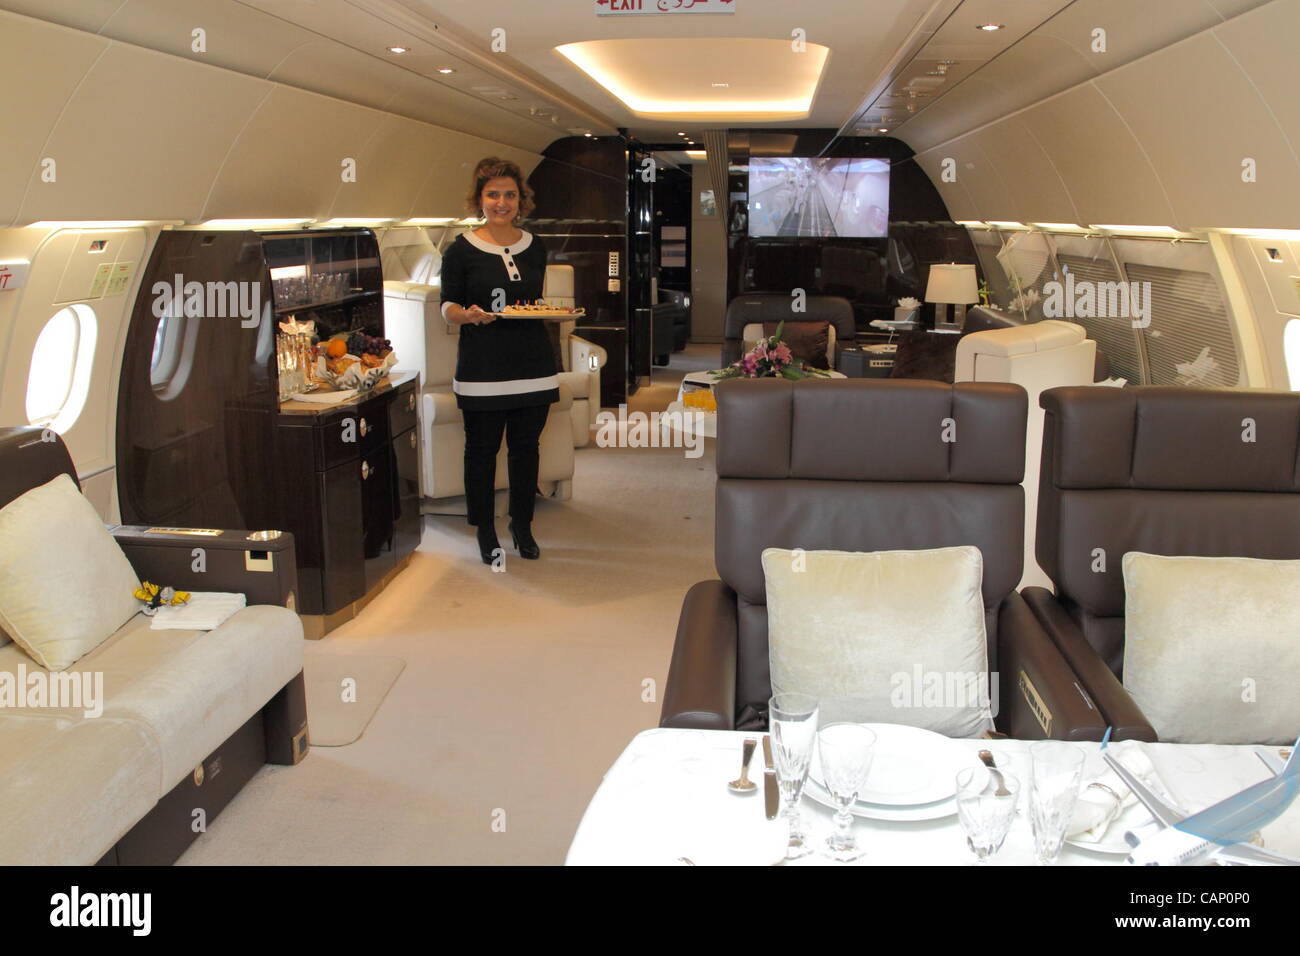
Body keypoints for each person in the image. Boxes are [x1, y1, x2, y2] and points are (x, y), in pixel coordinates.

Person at [439, 157, 561, 564]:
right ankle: (485, 529)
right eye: (493, 194)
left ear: (520, 199)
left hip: (532, 363)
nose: (502, 202)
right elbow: (447, 307)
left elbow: (532, 302)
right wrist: (468, 314)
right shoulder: (460, 249)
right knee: (481, 450)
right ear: (480, 199)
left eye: (509, 194)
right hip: (482, 366)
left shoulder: (535, 246)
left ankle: (521, 525)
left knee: (527, 449)